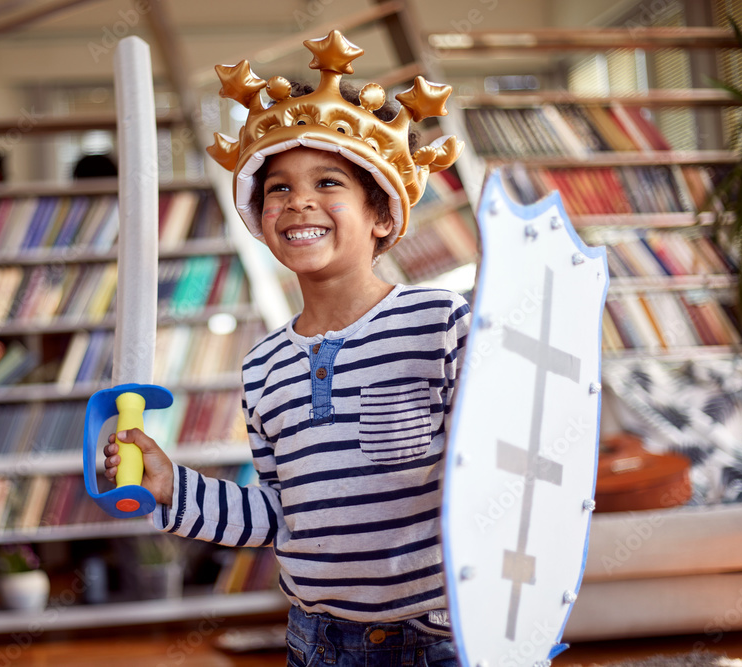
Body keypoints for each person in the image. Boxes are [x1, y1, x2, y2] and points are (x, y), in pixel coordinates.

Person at [104, 30, 469, 666]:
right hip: (316, 641)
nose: (298, 199)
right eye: (278, 188)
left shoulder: (440, 323)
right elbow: (279, 513)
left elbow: (498, 478)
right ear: (261, 217)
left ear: (382, 215)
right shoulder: (263, 366)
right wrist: (171, 487)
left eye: (329, 182)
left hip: (439, 637)